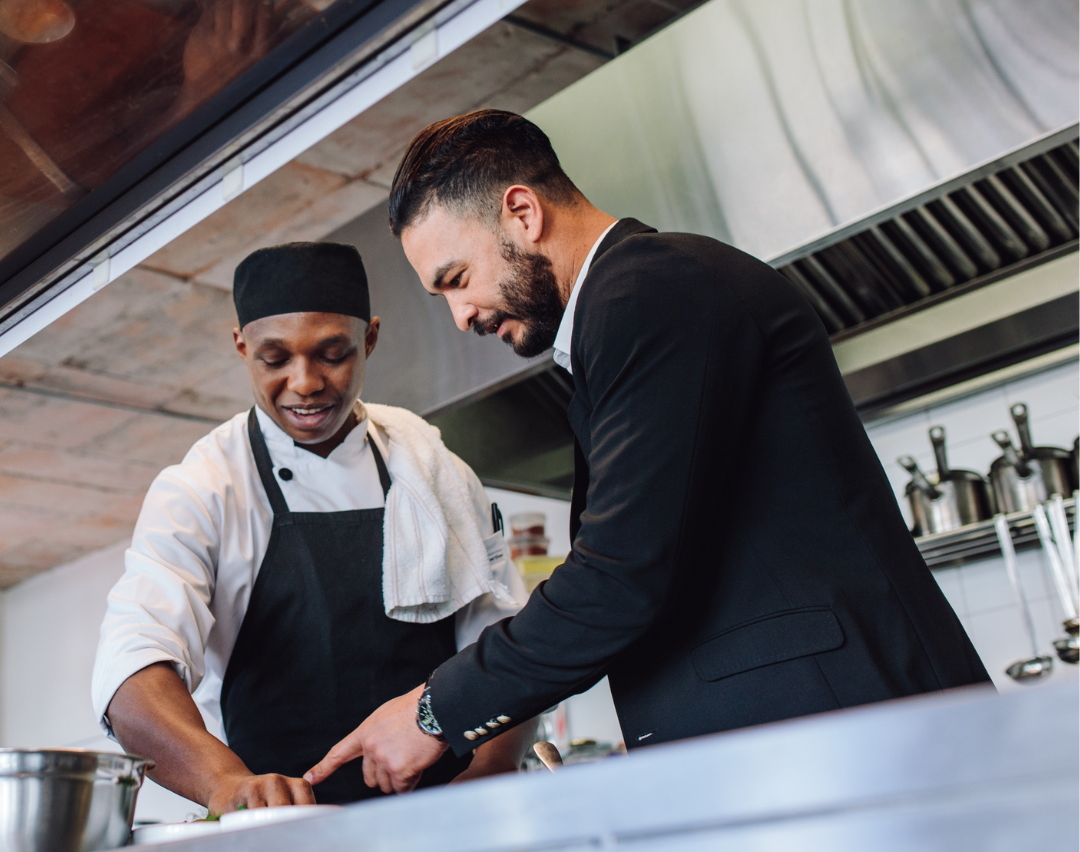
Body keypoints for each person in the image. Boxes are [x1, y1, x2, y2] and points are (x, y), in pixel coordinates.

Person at [304, 109, 991, 796]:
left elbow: (622, 573)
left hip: (847, 742)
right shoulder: (624, 313)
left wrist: (433, 711)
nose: (462, 318)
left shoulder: (650, 290)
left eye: (456, 279)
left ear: (521, 212)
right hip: (808, 750)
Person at [92, 241, 533, 814]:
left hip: (448, 815)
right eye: (275, 360)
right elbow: (132, 669)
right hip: (281, 826)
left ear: (369, 339)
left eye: (332, 353)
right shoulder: (203, 488)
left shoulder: (433, 468)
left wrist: (491, 771)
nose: (305, 383)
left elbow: (503, 643)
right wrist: (223, 782)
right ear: (241, 346)